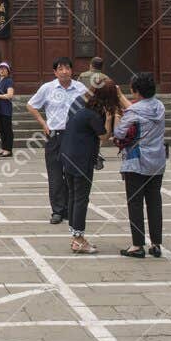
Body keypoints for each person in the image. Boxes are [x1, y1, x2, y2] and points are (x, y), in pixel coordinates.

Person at [60, 77, 121, 254]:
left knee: (73, 196)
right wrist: (109, 118)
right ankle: (78, 239)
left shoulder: (80, 104)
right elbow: (104, 137)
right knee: (81, 198)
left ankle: (75, 236)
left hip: (67, 155)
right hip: (81, 159)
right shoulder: (92, 115)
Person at [26, 58, 90, 225]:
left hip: (75, 136)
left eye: (67, 68)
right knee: (55, 174)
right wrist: (43, 123)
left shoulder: (80, 88)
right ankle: (57, 210)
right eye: (60, 69)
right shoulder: (47, 88)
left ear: (71, 71)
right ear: (55, 72)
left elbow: (90, 107)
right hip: (55, 135)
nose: (64, 71)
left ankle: (70, 209)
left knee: (72, 173)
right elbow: (31, 105)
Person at [113, 71, 167, 257]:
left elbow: (119, 134)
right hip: (157, 162)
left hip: (136, 162)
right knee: (154, 203)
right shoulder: (160, 107)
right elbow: (139, 108)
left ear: (136, 91)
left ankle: (137, 245)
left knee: (135, 203)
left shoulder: (133, 112)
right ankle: (156, 244)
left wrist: (116, 115)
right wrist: (121, 99)